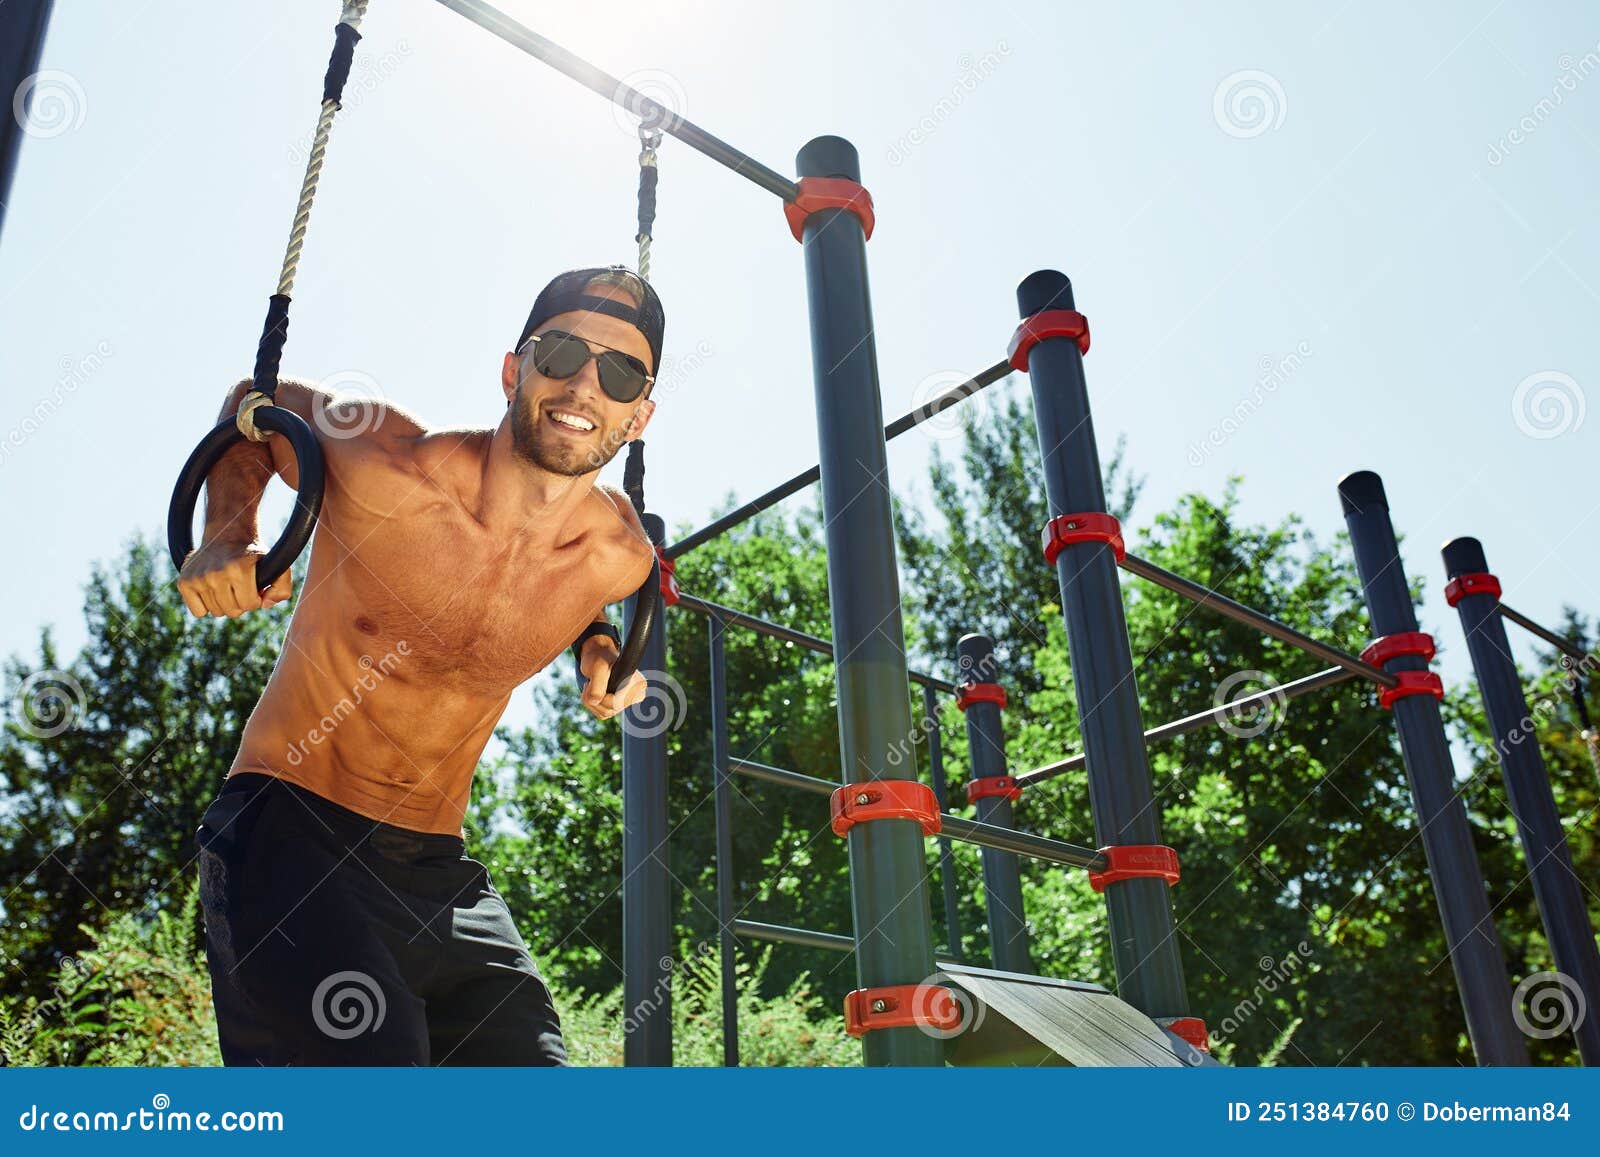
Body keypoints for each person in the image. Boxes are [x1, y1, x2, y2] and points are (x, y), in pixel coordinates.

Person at [181, 266, 664, 1065]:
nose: (584, 386)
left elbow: (580, 592)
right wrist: (228, 531)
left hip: (442, 873)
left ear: (638, 415)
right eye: (561, 354)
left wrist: (600, 647)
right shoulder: (386, 466)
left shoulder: (617, 553)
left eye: (618, 374)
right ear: (513, 370)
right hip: (290, 832)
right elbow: (254, 408)